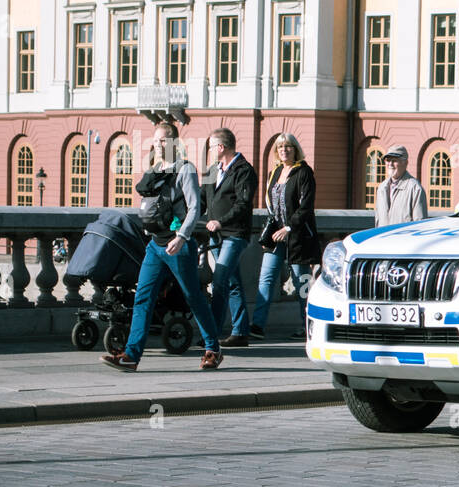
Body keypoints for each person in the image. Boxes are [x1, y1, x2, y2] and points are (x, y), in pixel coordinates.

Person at [101, 122, 223, 372]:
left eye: (164, 140)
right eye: (156, 140)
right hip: (155, 246)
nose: (158, 145)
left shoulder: (185, 170)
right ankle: (131, 357)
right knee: (143, 298)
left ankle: (213, 349)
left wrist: (181, 237)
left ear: (175, 143)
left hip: (178, 246)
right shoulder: (155, 169)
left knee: (193, 297)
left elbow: (194, 208)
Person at [251, 133, 321, 340]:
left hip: (298, 236)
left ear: (295, 149)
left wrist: (289, 228)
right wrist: (271, 232)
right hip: (276, 235)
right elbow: (272, 207)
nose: (284, 150)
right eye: (280, 147)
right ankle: (257, 325)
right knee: (266, 278)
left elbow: (306, 207)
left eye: (288, 146)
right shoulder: (276, 172)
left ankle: (308, 325)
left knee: (302, 284)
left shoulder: (304, 172)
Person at [204, 127, 257, 348]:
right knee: (232, 282)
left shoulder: (244, 171)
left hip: (234, 234)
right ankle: (240, 331)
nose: (208, 150)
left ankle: (211, 334)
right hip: (215, 235)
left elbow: (242, 205)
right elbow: (199, 198)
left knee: (220, 281)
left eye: (210, 146)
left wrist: (221, 221)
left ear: (221, 147)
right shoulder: (212, 170)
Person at [373, 145, 428, 226]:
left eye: (394, 160)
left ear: (405, 163)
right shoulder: (381, 188)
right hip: (383, 238)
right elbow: (378, 221)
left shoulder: (415, 188)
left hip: (403, 239)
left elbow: (420, 225)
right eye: (388, 160)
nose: (390, 164)